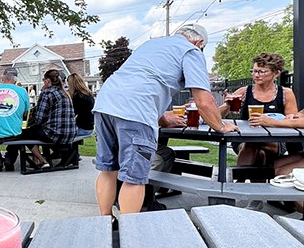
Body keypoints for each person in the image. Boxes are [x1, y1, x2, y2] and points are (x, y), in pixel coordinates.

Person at [93, 24, 236, 216]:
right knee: (134, 178)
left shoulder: (151, 45)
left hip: (104, 104)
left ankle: (105, 221)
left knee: (108, 170)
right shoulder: (191, 51)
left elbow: (139, 83)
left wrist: (163, 119)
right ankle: (129, 229)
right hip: (136, 113)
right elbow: (203, 99)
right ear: (199, 42)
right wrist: (221, 125)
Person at [221, 52, 298, 168]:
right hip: (245, 138)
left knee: (257, 149)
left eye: (261, 72)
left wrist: (271, 122)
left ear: (276, 73)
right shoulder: (244, 91)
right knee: (253, 144)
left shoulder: (285, 93)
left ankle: (239, 178)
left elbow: (292, 121)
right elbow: (216, 115)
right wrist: (227, 105)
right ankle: (247, 178)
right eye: (254, 71)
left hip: (276, 139)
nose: (256, 75)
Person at [5, 68, 79, 171]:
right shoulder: (65, 93)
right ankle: (38, 159)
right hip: (70, 133)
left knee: (23, 133)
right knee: (35, 131)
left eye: (44, 79)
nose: (43, 81)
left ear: (48, 80)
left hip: (54, 134)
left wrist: (31, 117)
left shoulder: (47, 93)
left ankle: (41, 160)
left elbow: (39, 119)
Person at [0, 67, 30, 172]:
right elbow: (26, 111)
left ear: (3, 77)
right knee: (17, 138)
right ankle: (9, 160)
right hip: (13, 134)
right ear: (15, 79)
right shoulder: (22, 91)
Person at [66, 72, 94, 137]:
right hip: (89, 127)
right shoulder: (88, 94)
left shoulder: (78, 97)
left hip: (82, 129)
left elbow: (71, 114)